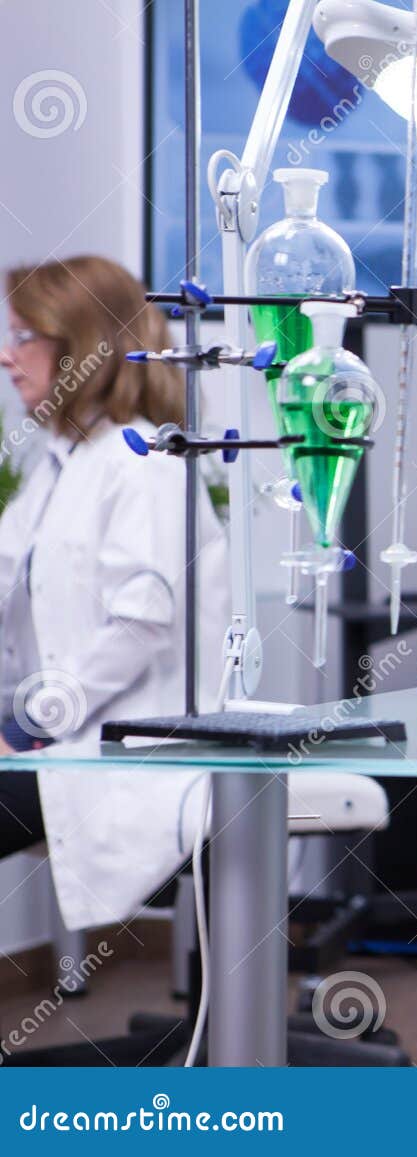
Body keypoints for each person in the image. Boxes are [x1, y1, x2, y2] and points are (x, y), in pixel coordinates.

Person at [0, 256, 226, 930]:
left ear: (82, 349)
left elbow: (138, 625)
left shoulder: (142, 461)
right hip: (61, 739)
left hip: (121, 753)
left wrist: (26, 723)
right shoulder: (60, 464)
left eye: (22, 337)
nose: (6, 357)